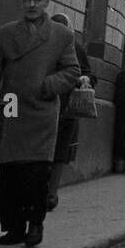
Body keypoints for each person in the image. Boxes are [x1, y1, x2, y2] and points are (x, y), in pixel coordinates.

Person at [0, 0, 81, 248]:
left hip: (41, 109)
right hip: (11, 106)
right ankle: (14, 227)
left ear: (47, 3)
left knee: (37, 172)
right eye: (27, 0)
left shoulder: (61, 35)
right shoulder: (5, 34)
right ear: (22, 3)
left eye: (37, 0)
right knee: (11, 172)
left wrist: (47, 86)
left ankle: (35, 224)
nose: (32, 5)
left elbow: (72, 71)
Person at [47, 12, 92, 210]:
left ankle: (50, 194)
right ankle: (49, 193)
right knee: (56, 153)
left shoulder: (76, 49)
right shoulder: (44, 47)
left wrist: (85, 80)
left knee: (59, 152)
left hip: (65, 108)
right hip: (51, 107)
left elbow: (89, 74)